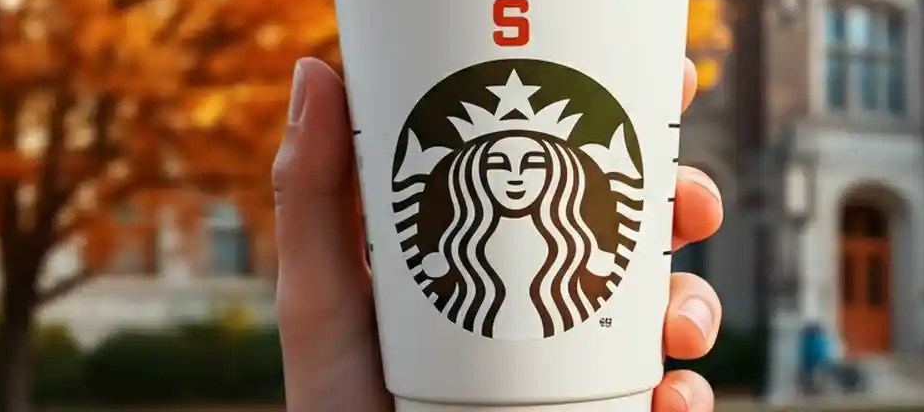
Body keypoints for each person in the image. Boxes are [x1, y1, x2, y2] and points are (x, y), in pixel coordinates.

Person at [273, 57, 726, 412]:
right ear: (472, 174)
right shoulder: (453, 259)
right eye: (497, 163)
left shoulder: (582, 259)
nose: (514, 177)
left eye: (532, 164)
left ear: (558, 174)